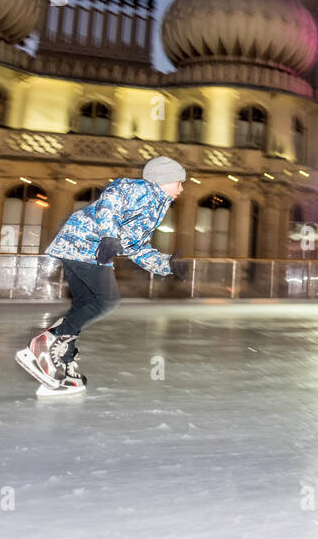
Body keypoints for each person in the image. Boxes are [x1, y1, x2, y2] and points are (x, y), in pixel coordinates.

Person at [15, 157, 191, 395]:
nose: (181, 189)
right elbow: (109, 204)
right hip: (87, 245)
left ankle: (63, 366)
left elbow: (135, 246)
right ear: (163, 180)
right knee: (107, 301)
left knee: (85, 306)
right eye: (179, 183)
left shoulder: (159, 207)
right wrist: (109, 236)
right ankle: (45, 342)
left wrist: (167, 264)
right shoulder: (134, 188)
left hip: (85, 248)